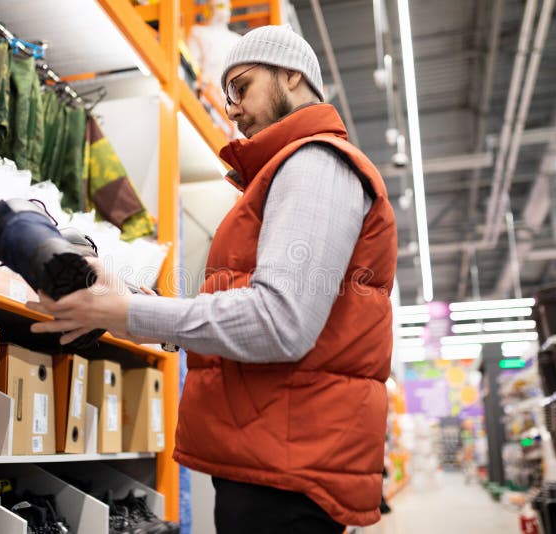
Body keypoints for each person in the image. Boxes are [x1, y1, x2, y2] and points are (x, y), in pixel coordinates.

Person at [28, 25, 397, 532]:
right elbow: (254, 314)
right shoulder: (283, 174)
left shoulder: (315, 163)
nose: (232, 108)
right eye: (226, 95)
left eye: (241, 87)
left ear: (291, 76)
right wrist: (129, 302)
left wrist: (126, 311)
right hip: (273, 455)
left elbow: (280, 320)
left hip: (288, 472)